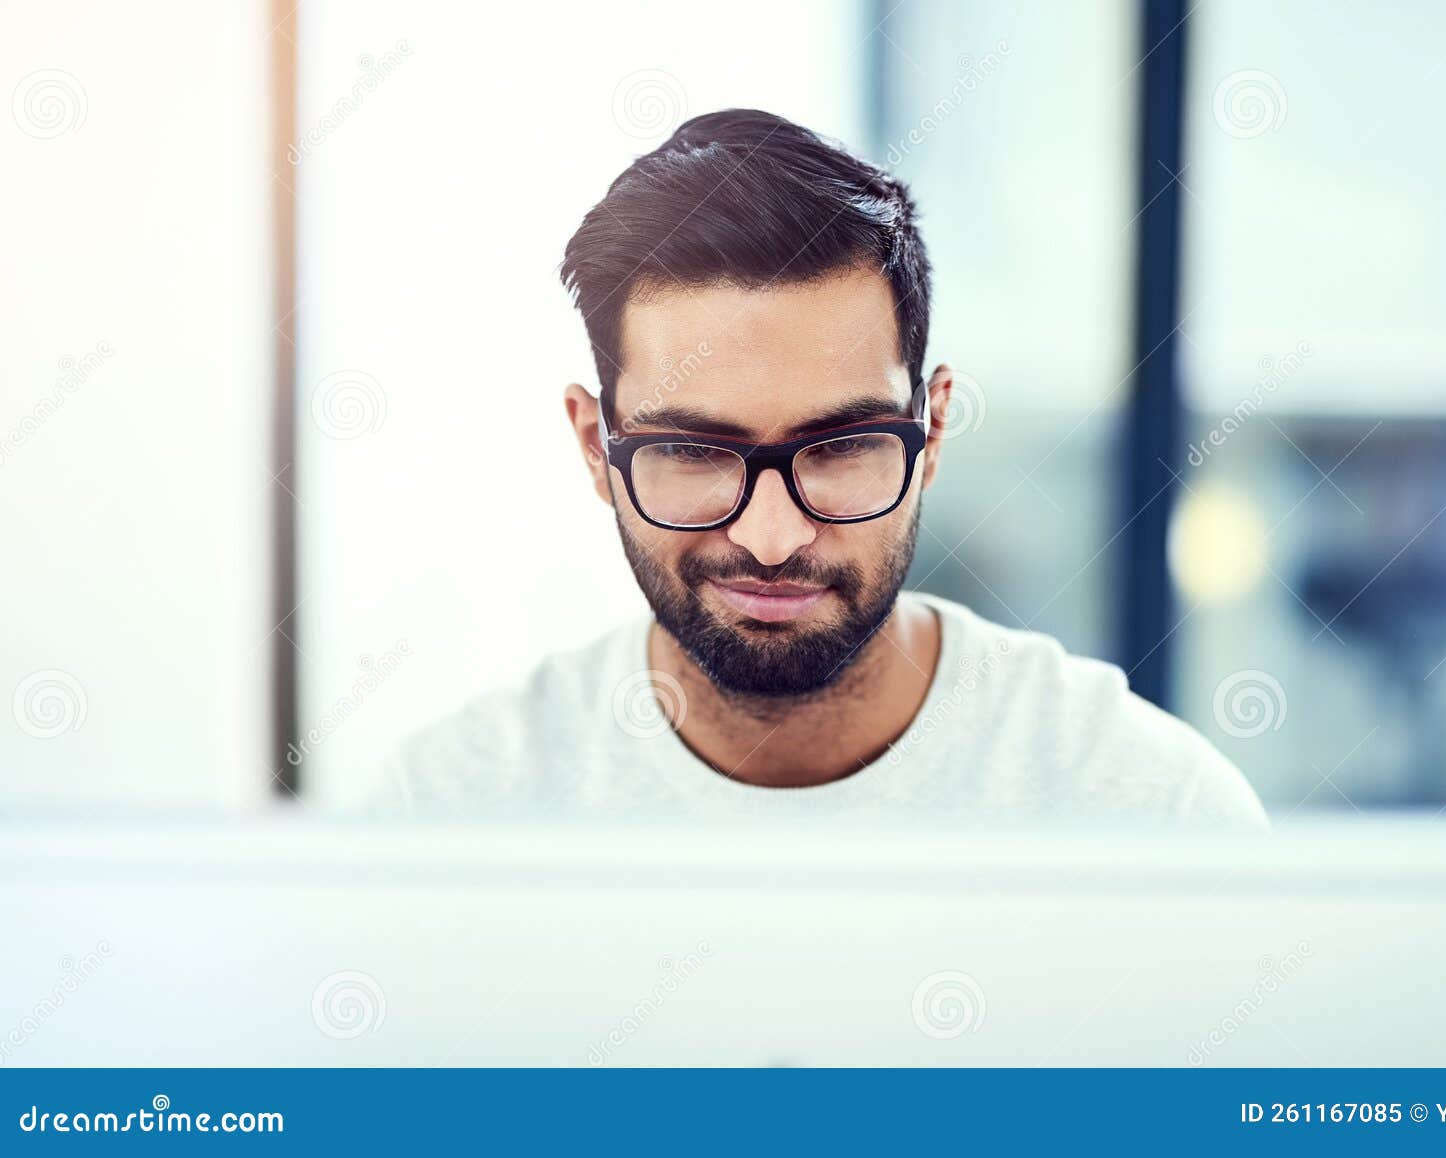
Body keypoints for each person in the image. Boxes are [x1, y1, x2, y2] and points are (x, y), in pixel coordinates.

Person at [381, 108, 1266, 827]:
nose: (772, 540)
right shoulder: (449, 812)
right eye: (693, 450)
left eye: (841, 447)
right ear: (594, 447)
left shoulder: (1156, 813)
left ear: (936, 428)